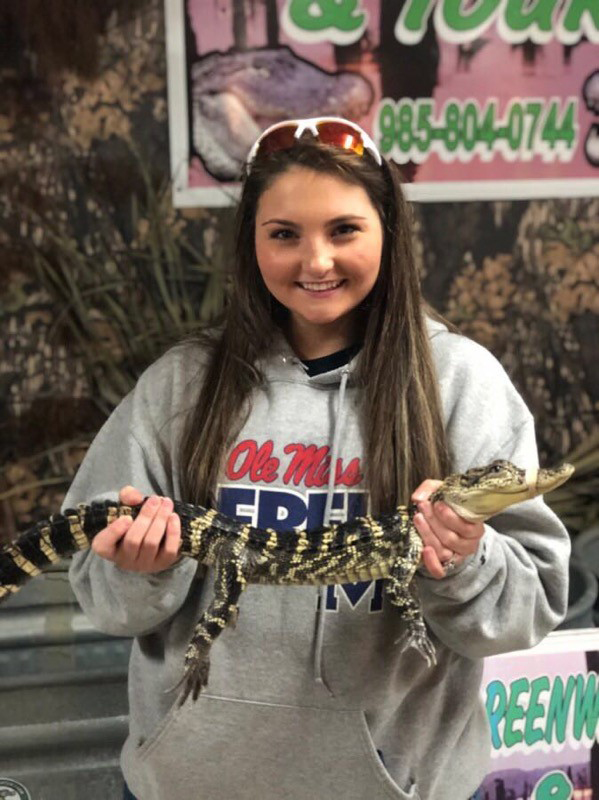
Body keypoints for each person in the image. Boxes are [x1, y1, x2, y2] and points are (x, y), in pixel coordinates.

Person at [65, 117, 570, 800]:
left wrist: (461, 560)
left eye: (342, 229)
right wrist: (142, 570)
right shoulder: (181, 384)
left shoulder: (459, 383)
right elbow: (101, 593)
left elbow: (524, 613)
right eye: (283, 234)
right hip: (189, 783)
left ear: (387, 232)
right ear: (252, 242)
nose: (315, 261)